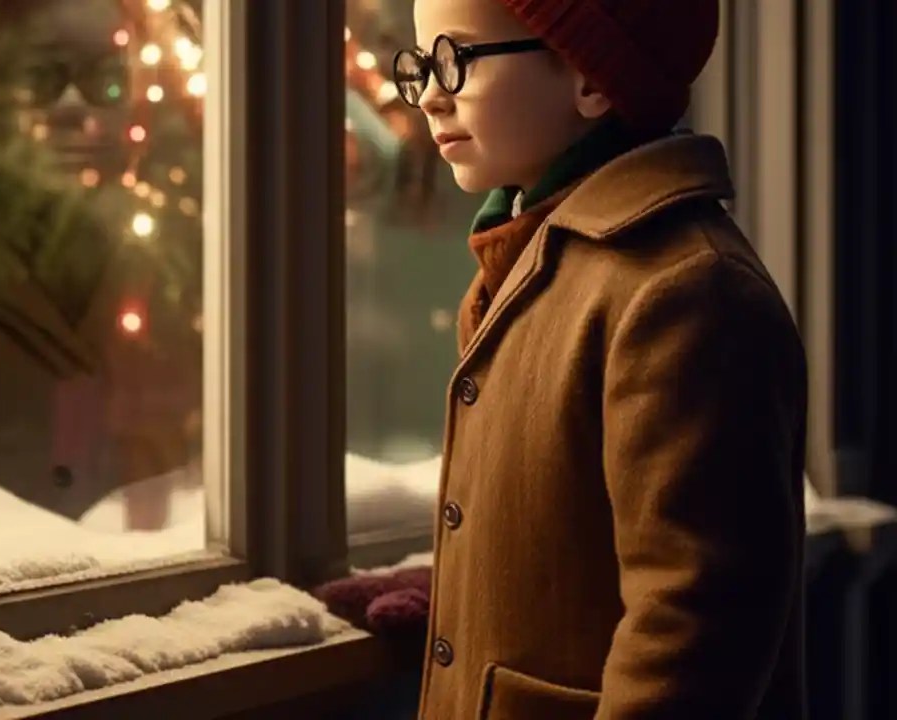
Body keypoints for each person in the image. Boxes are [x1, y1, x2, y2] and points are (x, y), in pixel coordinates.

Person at [317, 0, 808, 717]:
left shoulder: (684, 292)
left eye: (454, 59)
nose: (428, 94)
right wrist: (463, 584)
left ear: (590, 79)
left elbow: (693, 624)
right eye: (420, 65)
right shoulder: (530, 263)